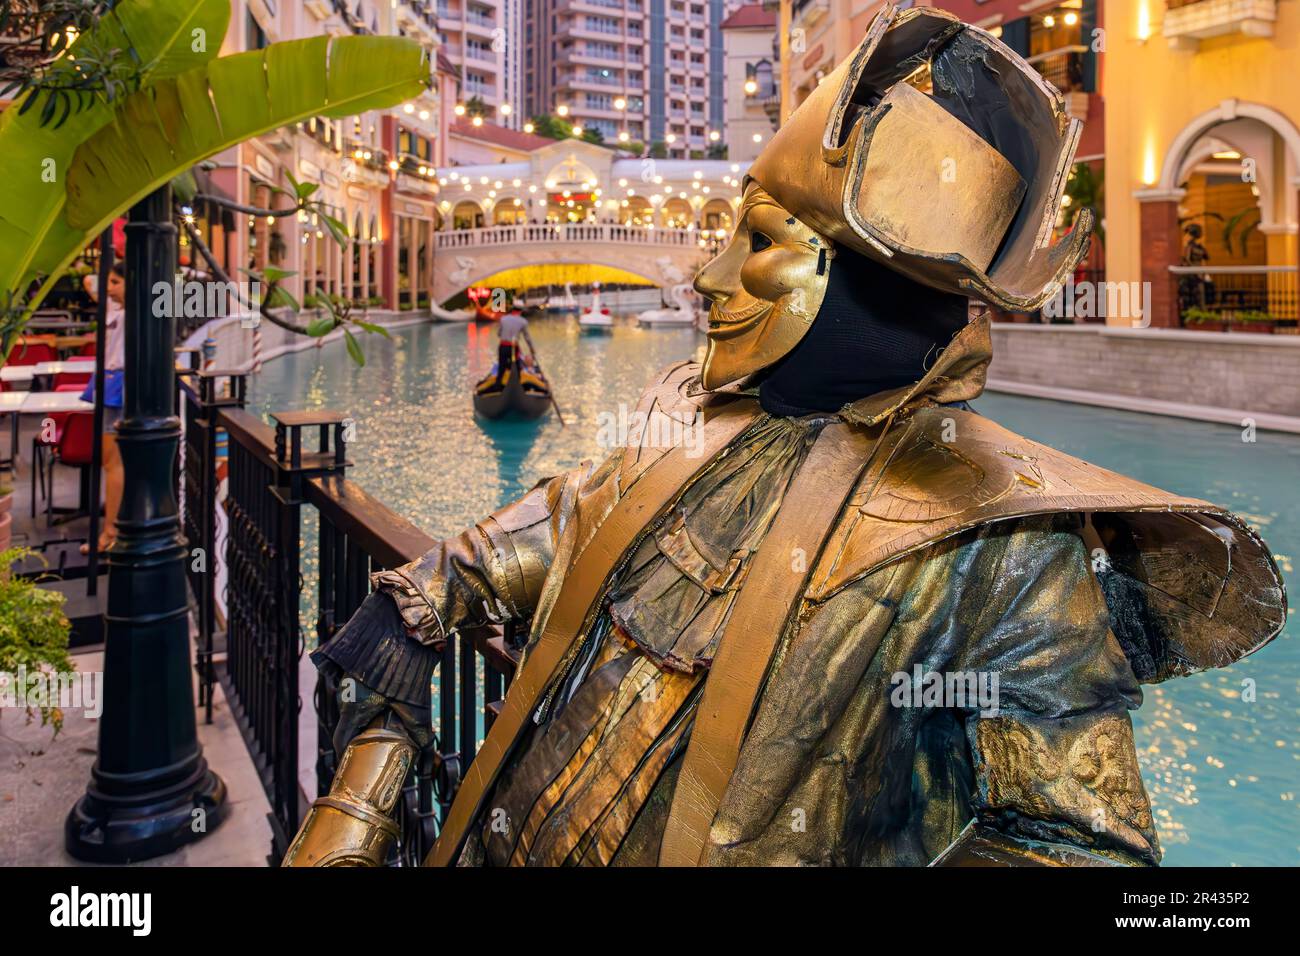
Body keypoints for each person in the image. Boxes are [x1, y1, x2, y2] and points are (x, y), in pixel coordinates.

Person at [284, 6, 1284, 868]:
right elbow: (435, 589)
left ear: (862, 284)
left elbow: (1071, 843)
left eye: (758, 242)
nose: (703, 279)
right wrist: (349, 821)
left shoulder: (1008, 555)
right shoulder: (681, 439)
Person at [79, 262, 126, 554]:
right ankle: (112, 529)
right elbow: (88, 281)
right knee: (113, 462)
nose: (108, 288)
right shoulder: (115, 309)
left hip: (118, 383)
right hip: (111, 383)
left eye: (116, 282)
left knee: (113, 463)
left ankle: (110, 532)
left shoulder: (134, 312)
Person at [493, 303, 529, 387]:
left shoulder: (503, 319)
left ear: (512, 310)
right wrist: (532, 349)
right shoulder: (523, 321)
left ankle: (498, 384)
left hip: (503, 346)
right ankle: (518, 385)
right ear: (520, 312)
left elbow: (499, 334)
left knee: (502, 366)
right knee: (517, 366)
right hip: (513, 347)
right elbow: (527, 338)